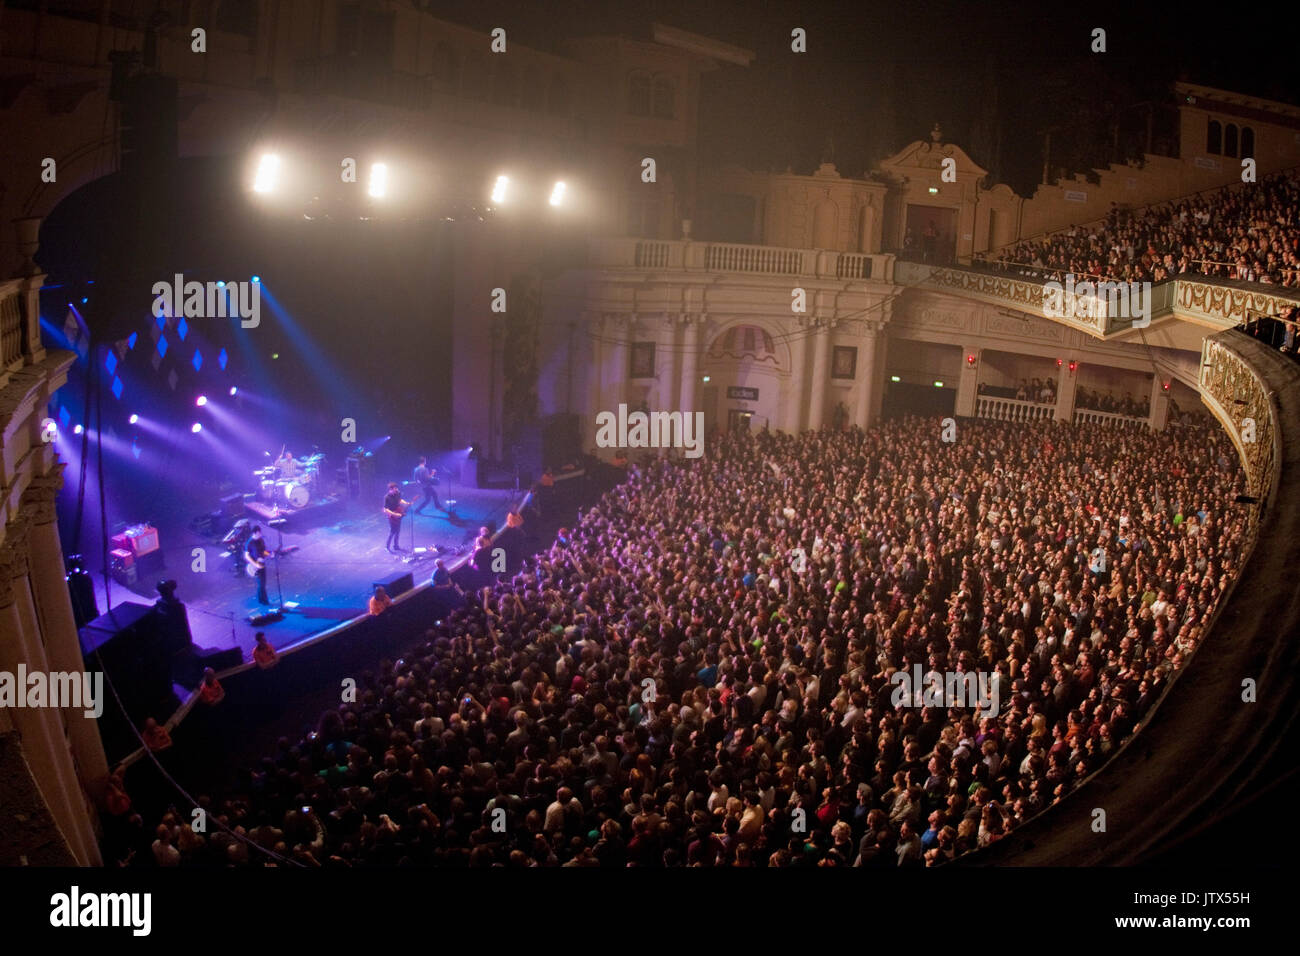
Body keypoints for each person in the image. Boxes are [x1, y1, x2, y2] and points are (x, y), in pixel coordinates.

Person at [244, 525, 270, 605]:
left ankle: (263, 599)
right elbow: (247, 556)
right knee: (261, 583)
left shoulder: (261, 540)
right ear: (254, 533)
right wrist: (255, 564)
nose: (260, 534)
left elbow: (263, 551)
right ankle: (263, 600)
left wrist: (269, 554)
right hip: (255, 566)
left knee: (263, 583)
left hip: (262, 563)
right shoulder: (250, 542)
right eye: (259, 533)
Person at [383, 482, 408, 553]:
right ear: (390, 489)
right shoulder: (387, 497)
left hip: (399, 513)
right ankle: (387, 547)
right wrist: (394, 514)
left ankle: (396, 546)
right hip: (392, 516)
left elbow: (400, 500)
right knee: (392, 531)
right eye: (395, 488)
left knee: (398, 531)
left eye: (396, 488)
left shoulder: (398, 493)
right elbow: (386, 509)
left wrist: (405, 503)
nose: (396, 489)